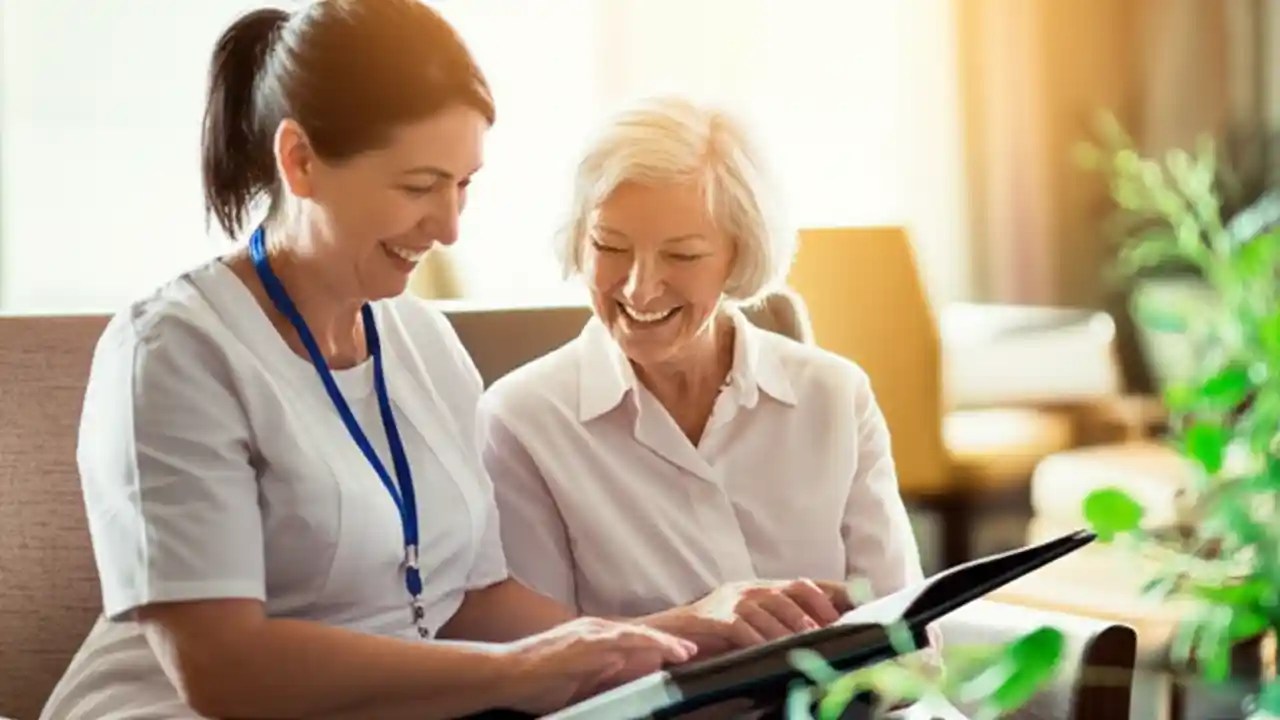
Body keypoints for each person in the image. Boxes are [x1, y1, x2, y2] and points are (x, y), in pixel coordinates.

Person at [39, 4, 698, 719]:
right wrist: (514, 675)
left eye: (463, 185)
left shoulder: (424, 343)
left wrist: (673, 639)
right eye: (418, 186)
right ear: (299, 160)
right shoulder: (174, 354)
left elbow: (470, 602)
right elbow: (221, 668)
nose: (447, 226)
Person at [478, 97, 935, 660]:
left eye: (683, 255)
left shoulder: (834, 396)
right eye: (610, 247)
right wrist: (695, 624)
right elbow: (544, 666)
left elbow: (909, 641)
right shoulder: (524, 419)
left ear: (738, 256)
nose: (640, 288)